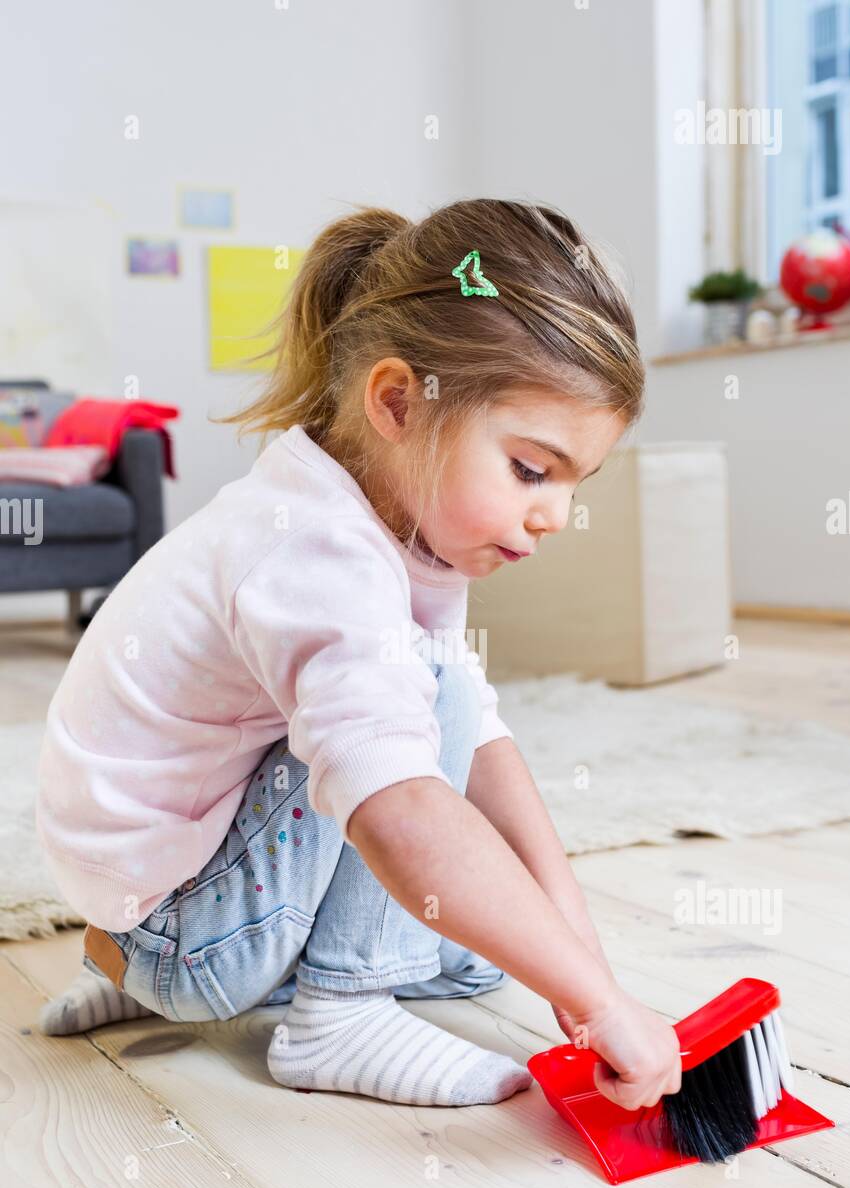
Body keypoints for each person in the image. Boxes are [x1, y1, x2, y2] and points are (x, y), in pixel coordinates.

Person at [35, 197, 681, 1112]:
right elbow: (404, 799)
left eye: (576, 482)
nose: (554, 516)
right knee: (419, 709)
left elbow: (482, 742)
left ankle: (143, 962)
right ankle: (338, 1012)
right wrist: (600, 1001)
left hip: (153, 897)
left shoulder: (393, 521)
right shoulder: (316, 551)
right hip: (184, 925)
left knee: (471, 961)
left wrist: (579, 962)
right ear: (395, 402)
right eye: (532, 471)